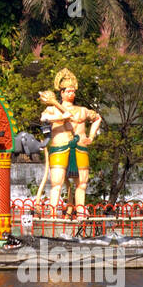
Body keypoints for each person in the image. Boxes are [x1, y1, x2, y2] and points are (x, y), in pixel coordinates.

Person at [38, 68, 102, 220]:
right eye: (68, 91)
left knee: (82, 183)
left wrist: (91, 136)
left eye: (73, 91)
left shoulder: (82, 110)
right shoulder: (52, 109)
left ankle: (80, 212)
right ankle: (53, 214)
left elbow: (97, 118)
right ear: (61, 93)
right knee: (57, 183)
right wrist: (60, 117)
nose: (71, 94)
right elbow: (43, 118)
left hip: (80, 147)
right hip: (59, 147)